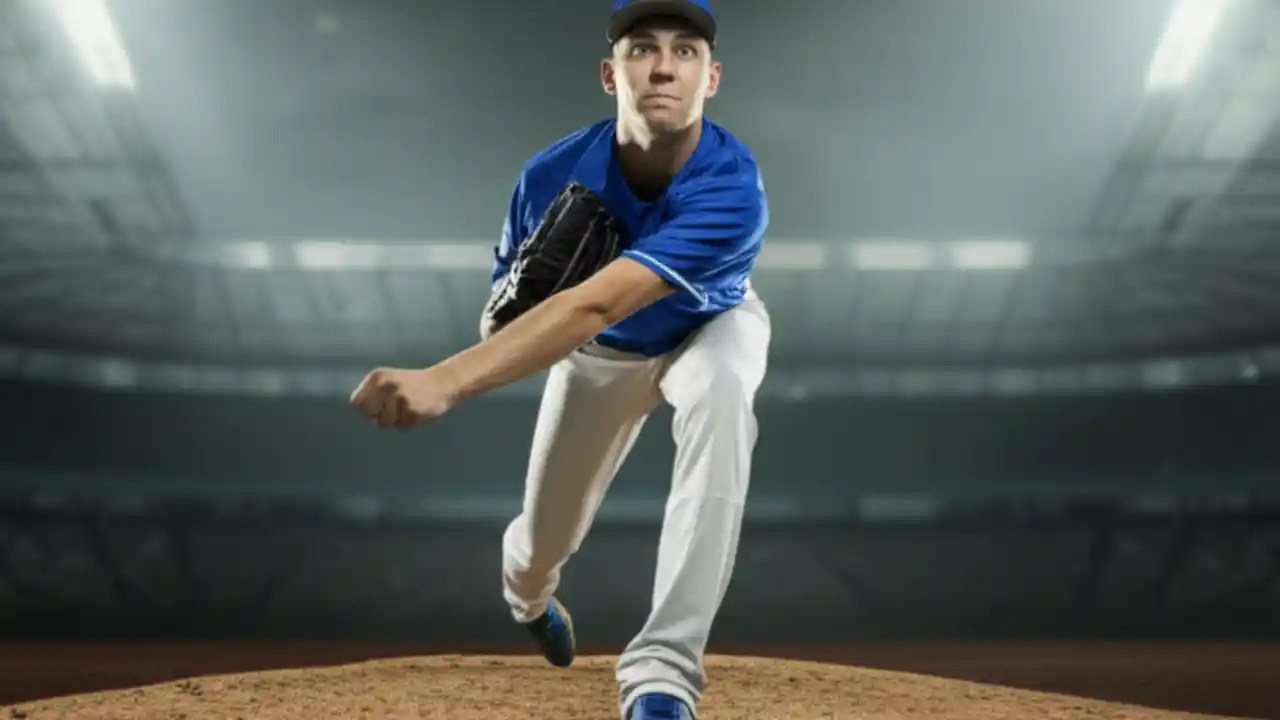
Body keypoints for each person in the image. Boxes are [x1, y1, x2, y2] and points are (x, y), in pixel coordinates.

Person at [349, 1, 770, 717]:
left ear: (712, 77)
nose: (665, 65)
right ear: (611, 74)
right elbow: (506, 316)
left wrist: (445, 381)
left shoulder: (733, 187)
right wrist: (506, 316)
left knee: (724, 390)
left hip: (708, 325)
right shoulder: (549, 176)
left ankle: (663, 674)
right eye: (642, 49)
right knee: (544, 541)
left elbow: (597, 303)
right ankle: (529, 594)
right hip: (597, 357)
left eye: (686, 51)